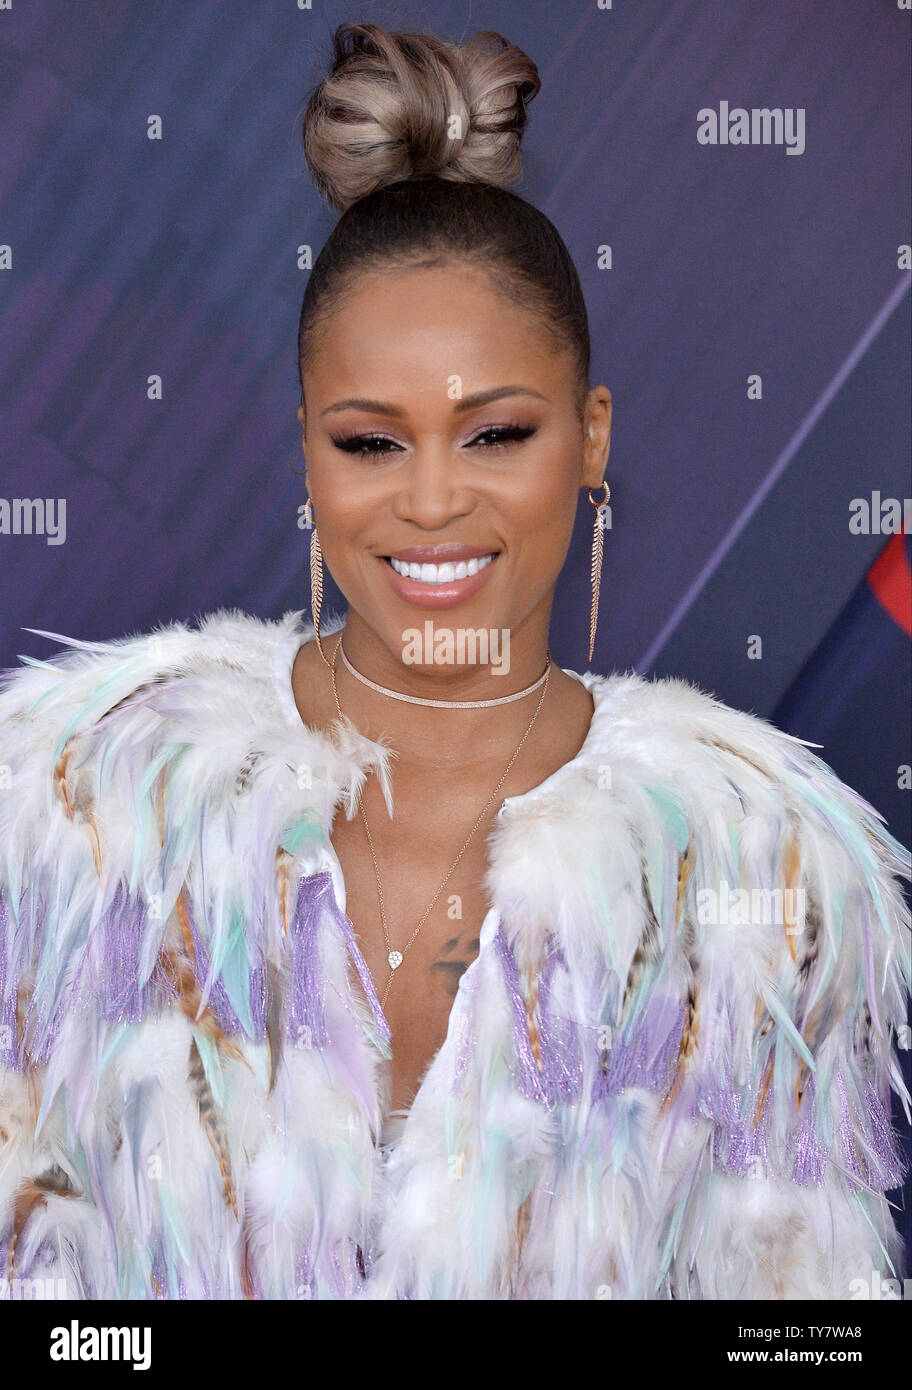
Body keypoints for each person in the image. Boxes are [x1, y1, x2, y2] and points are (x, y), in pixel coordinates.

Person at [0, 22, 909, 1302]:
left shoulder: (764, 859)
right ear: (307, 450)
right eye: (372, 443)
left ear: (590, 438)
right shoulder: (72, 803)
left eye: (496, 433)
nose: (432, 501)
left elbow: (805, 1321)